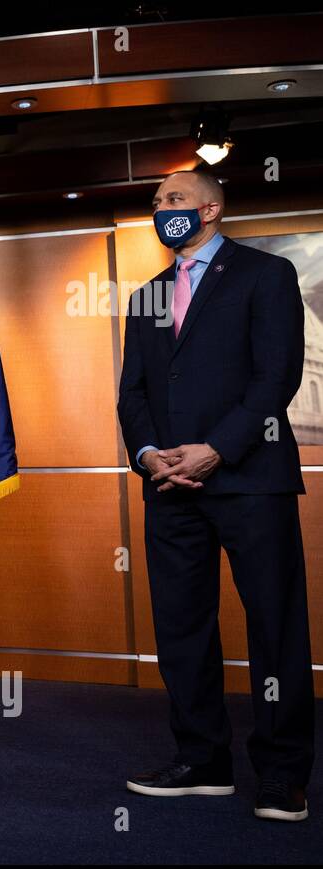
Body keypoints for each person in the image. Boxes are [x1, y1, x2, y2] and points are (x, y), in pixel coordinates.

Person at [118, 169, 313, 821]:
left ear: (211, 208)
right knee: (181, 627)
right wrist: (150, 457)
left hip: (249, 479)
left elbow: (275, 376)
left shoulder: (265, 276)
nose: (161, 209)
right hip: (169, 489)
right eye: (155, 203)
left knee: (275, 627)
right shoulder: (146, 296)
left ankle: (282, 773)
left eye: (173, 200)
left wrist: (217, 449)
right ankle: (202, 759)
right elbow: (133, 394)